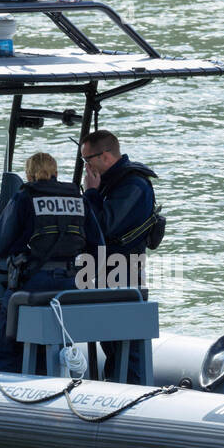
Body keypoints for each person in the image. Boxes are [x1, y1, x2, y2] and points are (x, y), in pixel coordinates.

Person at [0, 152, 103, 373]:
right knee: (55, 343)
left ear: (29, 175)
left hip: (32, 285)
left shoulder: (24, 197)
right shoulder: (79, 199)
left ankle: (6, 384)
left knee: (8, 345)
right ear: (56, 173)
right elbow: (98, 246)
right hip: (70, 286)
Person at [80, 130, 158, 384]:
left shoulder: (133, 184)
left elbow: (104, 227)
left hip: (124, 270)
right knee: (110, 341)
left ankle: (132, 394)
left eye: (87, 160)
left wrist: (91, 193)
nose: (86, 167)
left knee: (126, 343)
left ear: (104, 156)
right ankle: (115, 386)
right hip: (106, 269)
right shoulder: (112, 182)